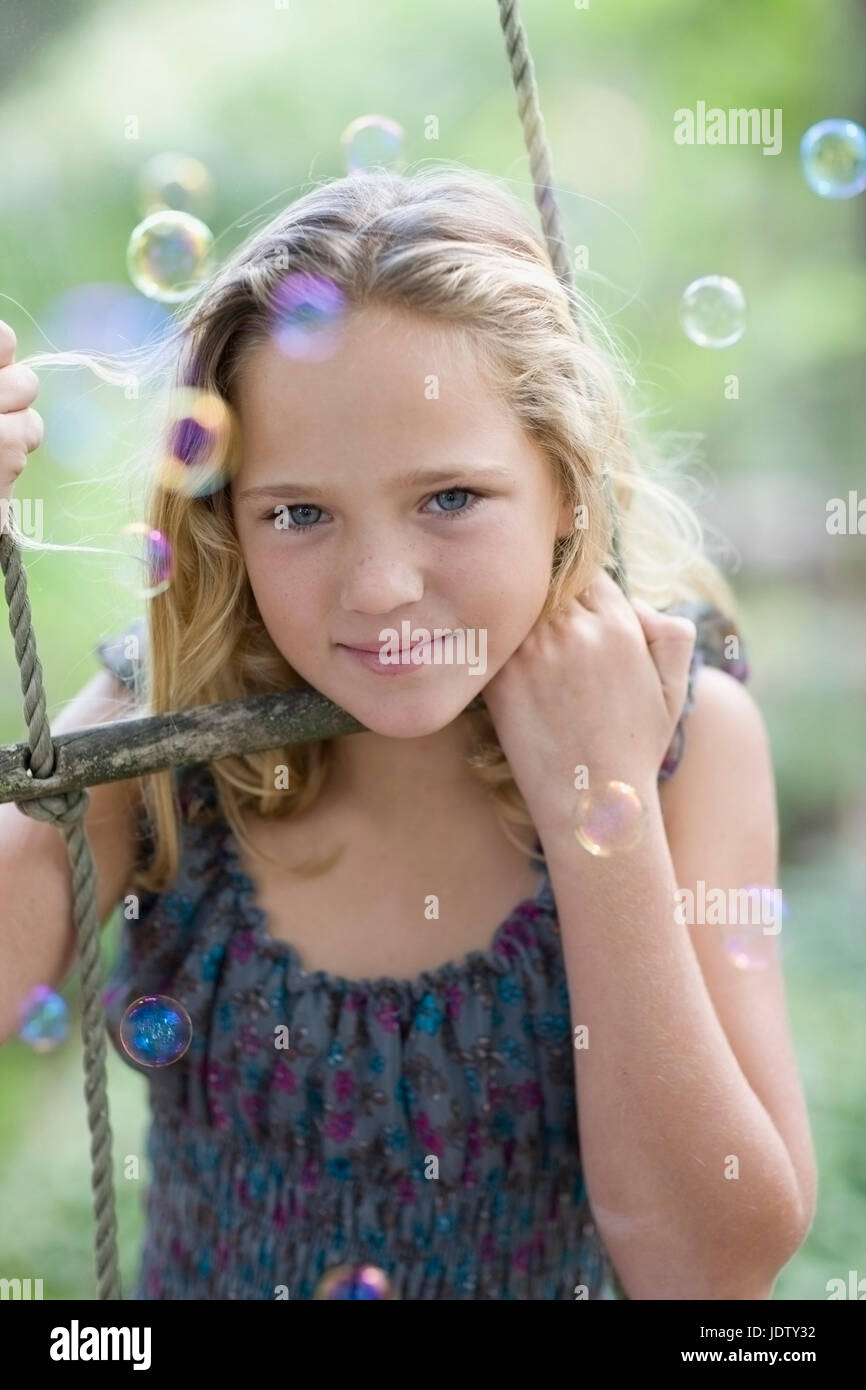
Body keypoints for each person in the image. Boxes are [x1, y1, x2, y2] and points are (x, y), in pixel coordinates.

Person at [0, 166, 816, 1300]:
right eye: (298, 513)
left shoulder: (681, 743)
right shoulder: (172, 740)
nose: (379, 588)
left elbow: (707, 1272)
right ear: (226, 523)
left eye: (447, 498)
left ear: (564, 482)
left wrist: (597, 806)